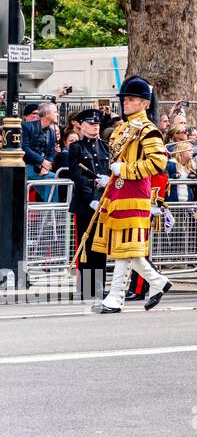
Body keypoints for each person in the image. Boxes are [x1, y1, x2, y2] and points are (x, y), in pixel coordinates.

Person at [89, 76, 172, 314]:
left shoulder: (148, 130)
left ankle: (116, 297)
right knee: (122, 245)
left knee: (126, 246)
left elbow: (158, 162)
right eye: (125, 98)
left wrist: (125, 170)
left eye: (132, 99)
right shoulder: (123, 129)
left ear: (145, 103)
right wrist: (112, 177)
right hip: (119, 190)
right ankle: (157, 281)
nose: (126, 102)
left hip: (135, 191)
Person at [68, 110, 110, 300]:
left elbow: (109, 171)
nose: (95, 127)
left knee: (100, 246)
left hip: (102, 203)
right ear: (82, 125)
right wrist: (90, 198)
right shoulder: (76, 147)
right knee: (84, 245)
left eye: (98, 124)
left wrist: (107, 181)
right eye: (91, 123)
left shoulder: (106, 147)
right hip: (85, 204)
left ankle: (99, 285)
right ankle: (85, 287)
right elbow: (78, 176)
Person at [22, 101, 58, 202]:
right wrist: (42, 161)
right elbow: (24, 148)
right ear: (47, 114)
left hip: (40, 168)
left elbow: (51, 152)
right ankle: (53, 211)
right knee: (52, 178)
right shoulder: (27, 126)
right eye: (55, 112)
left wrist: (45, 166)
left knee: (49, 187)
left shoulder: (51, 132)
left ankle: (50, 212)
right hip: (26, 167)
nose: (57, 114)